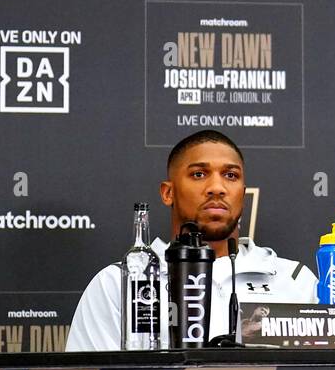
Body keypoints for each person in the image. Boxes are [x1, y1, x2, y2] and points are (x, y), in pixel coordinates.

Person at [66, 130, 316, 351]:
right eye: (198, 174)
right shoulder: (119, 283)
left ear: (243, 191)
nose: (217, 187)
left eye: (230, 175)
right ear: (168, 192)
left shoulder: (295, 281)